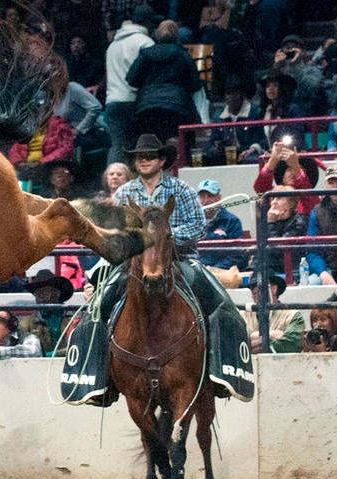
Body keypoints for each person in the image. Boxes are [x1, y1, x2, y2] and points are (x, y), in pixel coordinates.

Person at [86, 133, 253, 405]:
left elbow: (198, 224)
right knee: (98, 307)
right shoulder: (124, 193)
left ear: (162, 160)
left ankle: (220, 371)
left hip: (180, 259)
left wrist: (164, 235)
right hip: (135, 262)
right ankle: (100, 380)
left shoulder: (181, 190)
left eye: (150, 156)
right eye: (140, 157)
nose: (144, 161)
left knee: (222, 304)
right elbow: (113, 229)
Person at [125, 19, 201, 145]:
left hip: (147, 107)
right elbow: (195, 84)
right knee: (179, 144)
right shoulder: (182, 55)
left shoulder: (145, 54)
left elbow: (131, 79)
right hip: (177, 106)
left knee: (151, 145)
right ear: (177, 35)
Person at [104, 4, 154, 164]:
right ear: (147, 22)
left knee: (117, 146)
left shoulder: (113, 45)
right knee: (139, 145)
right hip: (134, 101)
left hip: (112, 101)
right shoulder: (145, 43)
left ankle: (112, 184)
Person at [241, 270, 304, 354]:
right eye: (252, 289)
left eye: (257, 288)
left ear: (274, 289)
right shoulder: (243, 314)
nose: (253, 292)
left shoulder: (292, 315)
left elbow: (293, 343)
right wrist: (273, 335)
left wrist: (261, 347)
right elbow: (237, 342)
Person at [203, 77, 261, 166]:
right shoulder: (218, 117)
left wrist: (252, 149)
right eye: (228, 93)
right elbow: (211, 143)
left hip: (249, 157)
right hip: (225, 157)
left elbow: (260, 141)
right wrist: (214, 149)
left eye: (236, 93)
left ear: (243, 95)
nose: (232, 97)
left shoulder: (255, 113)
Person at [196, 179, 247, 271]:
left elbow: (237, 255)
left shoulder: (232, 221)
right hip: (196, 272)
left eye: (210, 196)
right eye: (202, 196)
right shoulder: (192, 222)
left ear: (219, 198)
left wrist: (214, 270)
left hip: (221, 272)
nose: (206, 201)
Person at [21, 269, 75, 356]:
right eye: (36, 293)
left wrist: (48, 355)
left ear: (56, 294)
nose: (39, 298)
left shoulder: (74, 318)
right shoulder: (27, 323)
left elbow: (77, 347)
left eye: (42, 293)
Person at [262, 186, 307, 276]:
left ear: (291, 203)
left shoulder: (299, 221)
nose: (273, 202)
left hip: (293, 270)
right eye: (273, 198)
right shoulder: (269, 219)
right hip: (271, 268)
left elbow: (280, 248)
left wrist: (270, 223)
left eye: (279, 198)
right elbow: (261, 247)